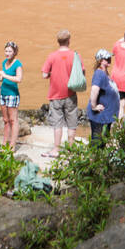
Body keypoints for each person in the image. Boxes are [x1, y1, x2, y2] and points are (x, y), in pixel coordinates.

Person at [41, 29, 82, 157]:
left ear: (58, 42)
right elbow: (82, 73)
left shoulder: (52, 56)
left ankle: (56, 149)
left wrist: (52, 74)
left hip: (55, 94)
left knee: (57, 123)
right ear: (69, 41)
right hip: (70, 93)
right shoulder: (75, 55)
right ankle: (70, 148)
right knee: (72, 121)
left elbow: (44, 74)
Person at [0, 40, 23, 150]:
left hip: (12, 94)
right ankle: (4, 142)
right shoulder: (4, 62)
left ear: (15, 52)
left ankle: (12, 145)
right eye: (6, 51)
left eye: (10, 51)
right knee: (5, 120)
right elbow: (3, 78)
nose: (7, 53)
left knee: (13, 120)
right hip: (3, 93)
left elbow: (19, 79)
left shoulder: (17, 64)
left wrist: (4, 75)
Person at [86, 49, 120, 146]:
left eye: (109, 57)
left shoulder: (105, 73)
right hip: (100, 118)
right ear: (100, 61)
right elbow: (94, 90)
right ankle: (93, 160)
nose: (109, 59)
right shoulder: (99, 74)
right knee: (97, 144)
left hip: (106, 117)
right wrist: (94, 107)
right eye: (106, 58)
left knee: (103, 143)